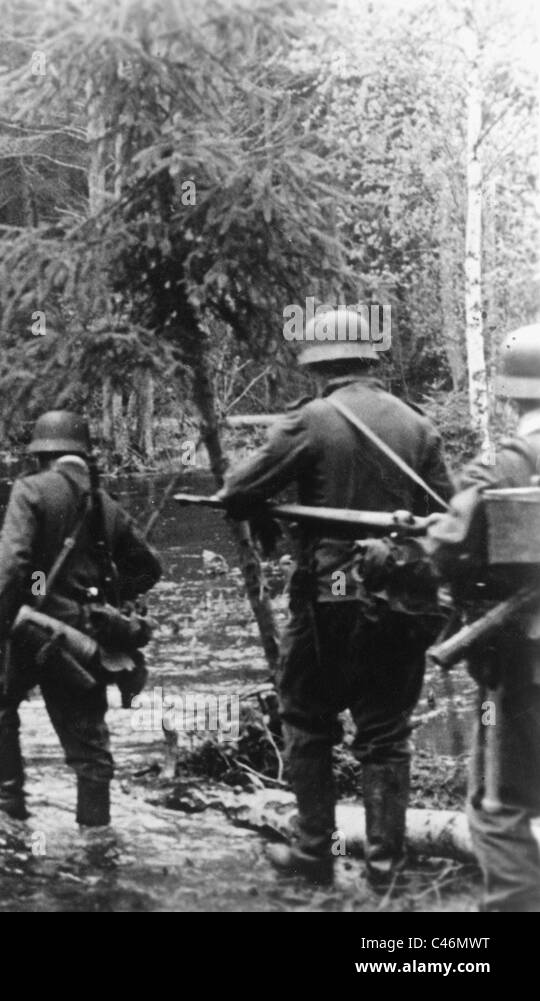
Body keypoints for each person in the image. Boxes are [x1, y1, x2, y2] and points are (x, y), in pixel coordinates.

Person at [216, 308, 454, 888]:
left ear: (317, 366)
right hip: (398, 601)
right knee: (385, 733)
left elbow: (239, 491)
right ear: (371, 358)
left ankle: (314, 852)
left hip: (329, 600)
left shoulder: (311, 421)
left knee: (307, 718)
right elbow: (447, 520)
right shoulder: (416, 426)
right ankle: (386, 870)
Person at [0, 410, 162, 825]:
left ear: (42, 454)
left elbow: (13, 565)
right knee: (88, 745)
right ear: (83, 454)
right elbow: (151, 567)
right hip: (82, 639)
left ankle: (11, 808)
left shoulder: (32, 490)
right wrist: (111, 595)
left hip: (28, 630)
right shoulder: (105, 504)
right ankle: (95, 840)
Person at [425, 323, 540, 911]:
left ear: (513, 395)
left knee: (498, 809)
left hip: (519, 678)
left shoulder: (498, 471)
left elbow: (439, 556)